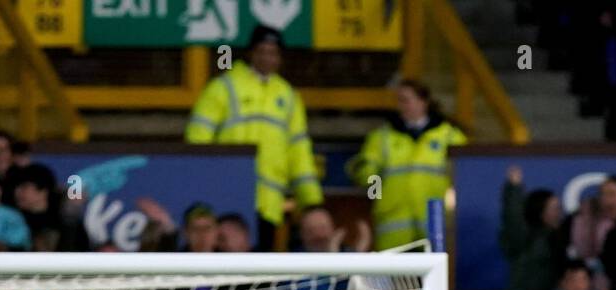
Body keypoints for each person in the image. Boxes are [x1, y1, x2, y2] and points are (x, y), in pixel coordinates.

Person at [185, 24, 323, 249]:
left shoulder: (288, 96)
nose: (268, 58)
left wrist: (312, 202)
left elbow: (299, 152)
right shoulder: (224, 87)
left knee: (261, 276)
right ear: (251, 52)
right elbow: (198, 140)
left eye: (273, 53)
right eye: (262, 51)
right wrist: (208, 187)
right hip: (227, 198)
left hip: (269, 205)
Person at [348, 78, 466, 250]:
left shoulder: (450, 136)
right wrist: (378, 194)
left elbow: (462, 177)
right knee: (392, 275)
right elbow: (368, 173)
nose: (401, 106)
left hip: (434, 220)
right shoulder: (382, 137)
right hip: (393, 221)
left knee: (435, 274)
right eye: (399, 101)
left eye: (406, 100)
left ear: (423, 102)